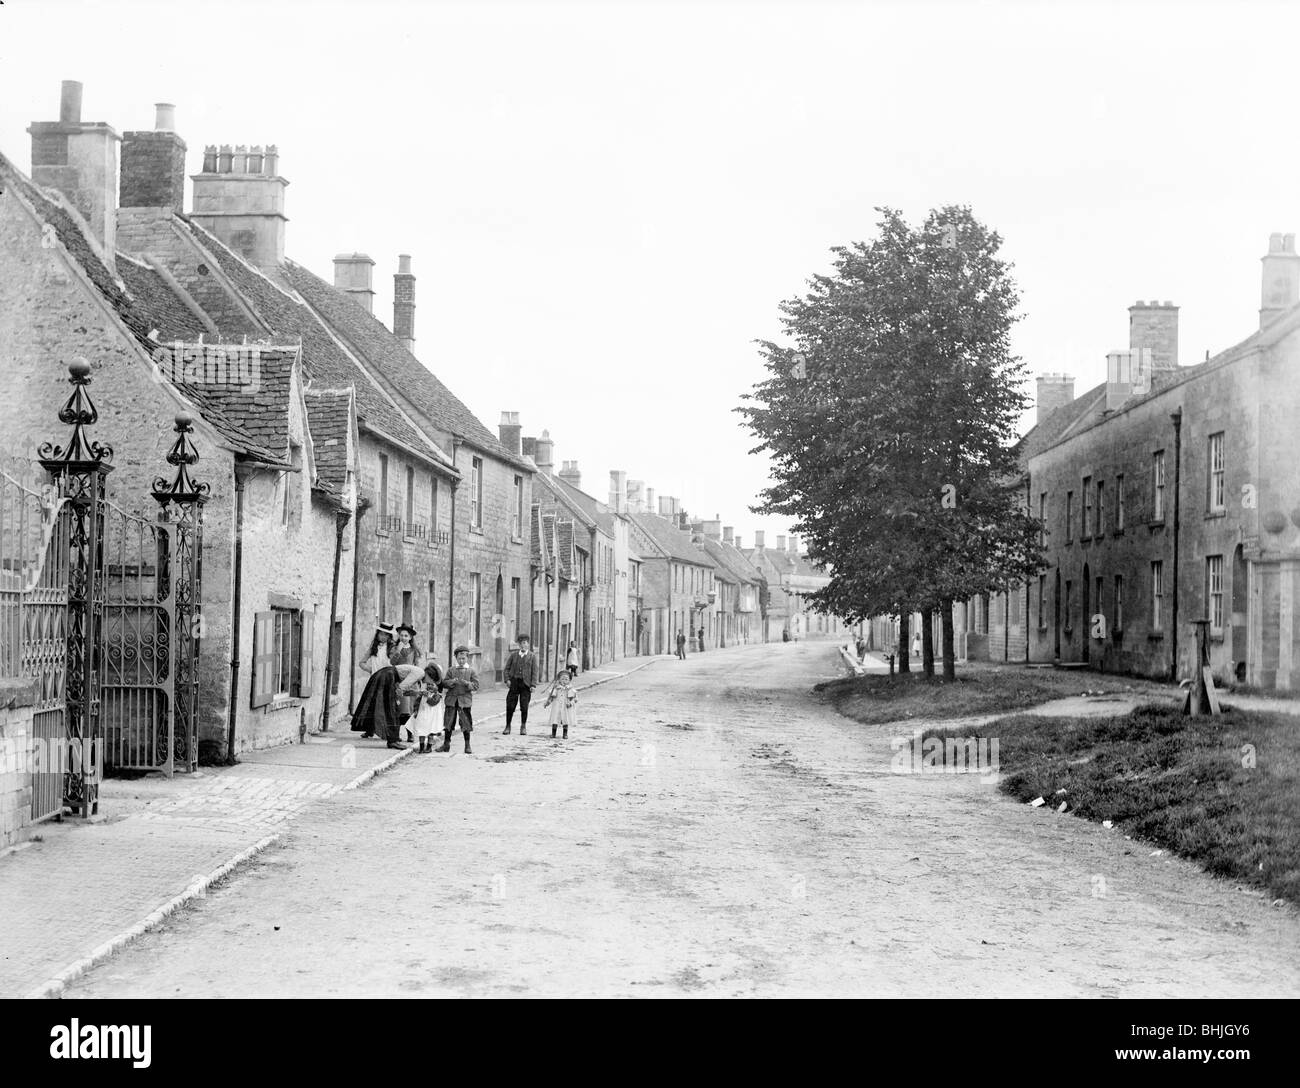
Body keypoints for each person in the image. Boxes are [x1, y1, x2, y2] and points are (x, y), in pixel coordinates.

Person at [351, 623, 407, 748]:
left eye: (386, 635)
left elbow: (393, 662)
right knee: (373, 706)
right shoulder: (373, 648)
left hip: (388, 679)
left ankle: (393, 737)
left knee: (391, 708)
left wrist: (398, 650)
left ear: (389, 636)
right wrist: (371, 670)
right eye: (381, 634)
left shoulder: (392, 648)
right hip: (376, 680)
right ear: (377, 634)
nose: (383, 637)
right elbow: (361, 662)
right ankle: (372, 729)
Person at [437, 646, 479, 754]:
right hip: (451, 700)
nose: (461, 661)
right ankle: (446, 744)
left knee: (465, 722)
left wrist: (467, 684)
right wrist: (451, 682)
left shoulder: (471, 671)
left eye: (463, 658)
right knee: (448, 722)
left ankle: (467, 745)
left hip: (464, 701)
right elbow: (444, 683)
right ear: (456, 658)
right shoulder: (451, 670)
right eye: (459, 658)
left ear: (467, 658)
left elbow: (476, 686)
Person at [503, 634, 539, 735]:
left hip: (526, 684)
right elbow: (506, 669)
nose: (522, 645)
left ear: (528, 644)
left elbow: (535, 671)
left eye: (524, 643)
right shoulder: (514, 655)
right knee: (510, 705)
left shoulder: (532, 656)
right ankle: (508, 726)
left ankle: (523, 726)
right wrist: (507, 680)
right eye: (520, 643)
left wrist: (533, 685)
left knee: (524, 706)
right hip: (514, 683)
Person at [407, 660, 445, 753]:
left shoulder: (437, 695)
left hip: (432, 715)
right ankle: (421, 746)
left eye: (432, 685)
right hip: (423, 713)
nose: (429, 687)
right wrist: (416, 710)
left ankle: (429, 747)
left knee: (430, 731)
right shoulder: (423, 693)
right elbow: (417, 701)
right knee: (421, 729)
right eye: (428, 685)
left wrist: (428, 697)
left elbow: (432, 702)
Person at [391, 624, 421, 737]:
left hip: (411, 682)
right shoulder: (395, 648)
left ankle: (410, 734)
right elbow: (392, 663)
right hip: (398, 680)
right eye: (401, 635)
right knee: (398, 708)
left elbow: (417, 666)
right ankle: (396, 735)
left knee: (410, 709)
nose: (403, 638)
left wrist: (418, 680)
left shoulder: (414, 650)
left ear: (410, 637)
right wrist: (398, 650)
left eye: (406, 636)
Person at [544, 669, 578, 739]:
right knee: (555, 719)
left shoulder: (571, 689)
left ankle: (565, 733)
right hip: (557, 706)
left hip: (565, 707)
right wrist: (547, 703)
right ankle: (553, 733)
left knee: (565, 720)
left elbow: (575, 699)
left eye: (566, 679)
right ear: (559, 680)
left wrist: (570, 703)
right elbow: (551, 697)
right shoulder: (556, 688)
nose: (564, 681)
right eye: (562, 679)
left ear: (569, 680)